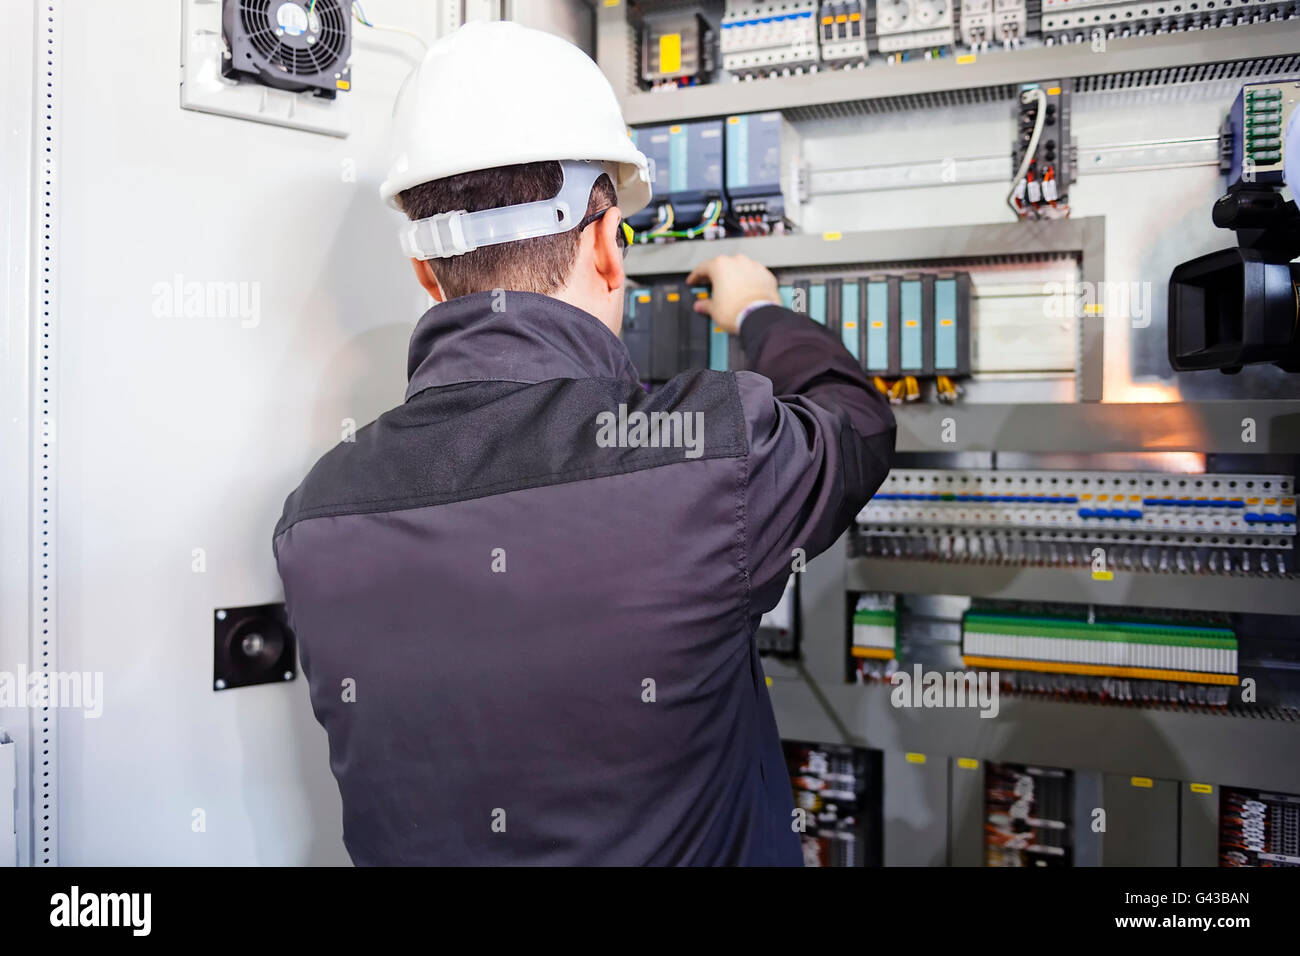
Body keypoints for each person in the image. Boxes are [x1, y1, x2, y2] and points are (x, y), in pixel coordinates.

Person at [273, 19, 895, 866]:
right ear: (606, 247)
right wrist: (758, 309)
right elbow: (857, 422)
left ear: (425, 270)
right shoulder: (708, 459)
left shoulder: (313, 519)